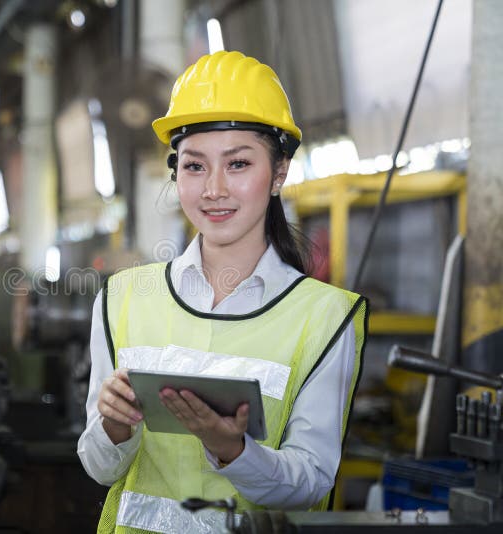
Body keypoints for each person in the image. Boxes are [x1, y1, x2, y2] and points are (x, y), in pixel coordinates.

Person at [77, 50, 368, 533]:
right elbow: (99, 468)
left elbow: (312, 480)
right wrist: (113, 426)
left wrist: (234, 451)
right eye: (194, 167)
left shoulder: (324, 318)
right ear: (175, 172)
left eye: (237, 164)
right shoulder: (121, 299)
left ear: (278, 173)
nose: (213, 189)